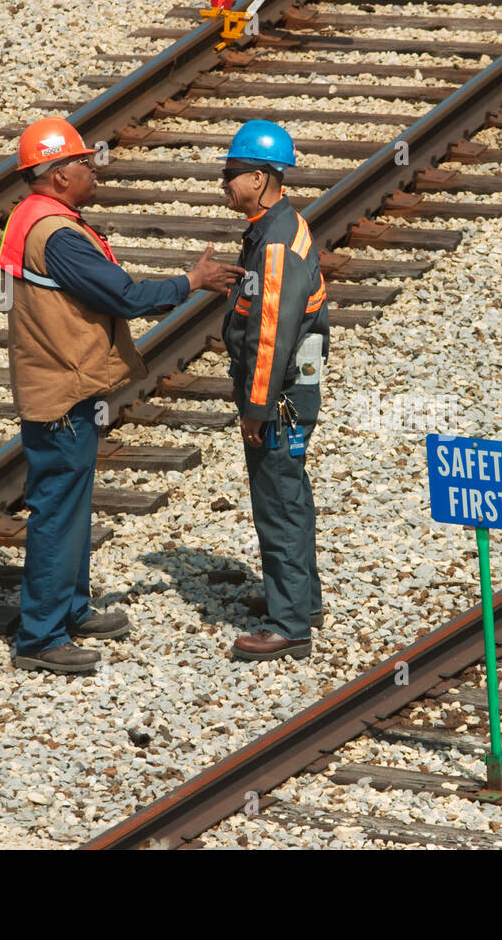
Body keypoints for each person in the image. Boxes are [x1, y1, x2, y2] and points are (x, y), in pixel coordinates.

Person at [0, 117, 244, 674]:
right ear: (58, 174)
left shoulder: (38, 217)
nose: (93, 168)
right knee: (57, 514)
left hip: (63, 382)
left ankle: (71, 609)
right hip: (59, 393)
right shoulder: (56, 235)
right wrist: (190, 282)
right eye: (84, 162)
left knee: (72, 507)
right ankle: (40, 639)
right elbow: (125, 296)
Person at [220, 120, 329, 660]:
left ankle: (289, 627)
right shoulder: (272, 228)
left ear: (262, 178)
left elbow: (271, 338)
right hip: (290, 392)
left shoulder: (278, 245)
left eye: (233, 173)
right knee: (292, 494)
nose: (225, 182)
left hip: (279, 398)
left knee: (279, 502)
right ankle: (302, 600)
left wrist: (256, 409)